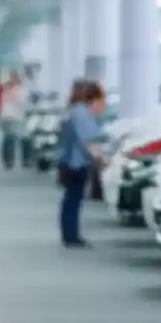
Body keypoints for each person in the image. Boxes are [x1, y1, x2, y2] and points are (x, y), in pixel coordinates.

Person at [57, 81, 107, 249]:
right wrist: (101, 160)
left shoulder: (74, 112)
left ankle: (70, 233)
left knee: (71, 199)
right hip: (75, 163)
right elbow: (88, 140)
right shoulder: (81, 114)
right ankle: (71, 235)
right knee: (73, 199)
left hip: (69, 161)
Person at [0, 71, 25, 170]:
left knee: (9, 138)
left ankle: (8, 159)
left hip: (9, 116)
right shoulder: (16, 90)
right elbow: (22, 103)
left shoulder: (6, 90)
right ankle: (8, 159)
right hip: (10, 117)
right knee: (9, 138)